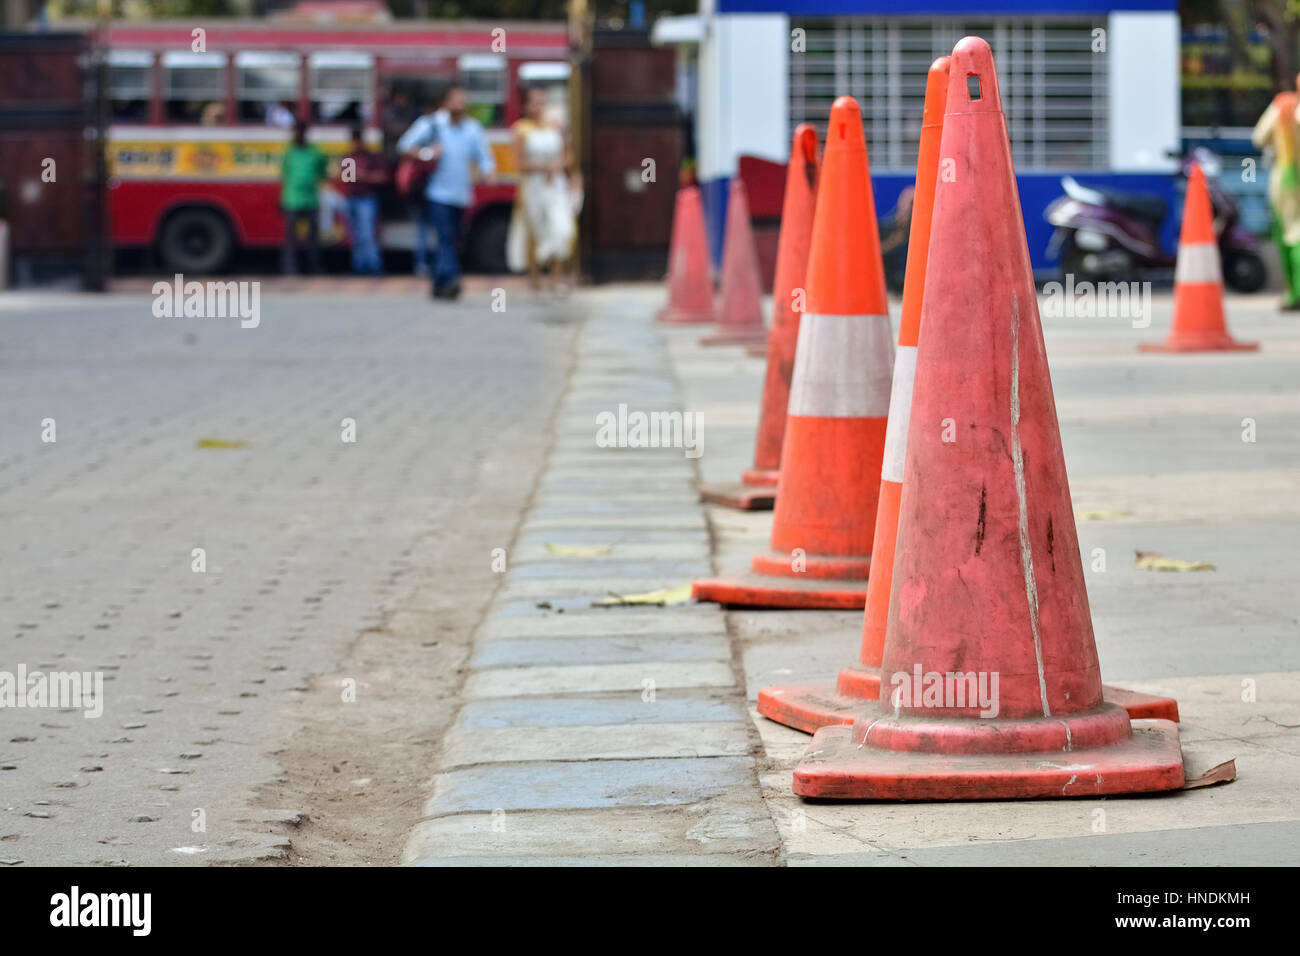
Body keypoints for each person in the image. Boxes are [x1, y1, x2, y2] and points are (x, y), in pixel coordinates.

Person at [398, 84, 496, 299]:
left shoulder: (472, 128)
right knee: (445, 237)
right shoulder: (432, 124)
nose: (461, 103)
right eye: (456, 99)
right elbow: (404, 145)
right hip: (437, 193)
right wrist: (426, 153)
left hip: (461, 194)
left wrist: (488, 172)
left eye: (463, 99)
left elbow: (484, 155)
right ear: (446, 102)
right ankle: (451, 279)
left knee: (454, 239)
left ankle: (439, 282)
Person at [508, 86, 577, 295]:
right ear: (526, 105)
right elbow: (519, 163)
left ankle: (557, 278)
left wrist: (557, 167)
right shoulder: (521, 129)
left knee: (561, 228)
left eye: (542, 102)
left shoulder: (555, 128)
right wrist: (542, 168)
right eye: (534, 102)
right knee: (536, 230)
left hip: (555, 185)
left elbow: (568, 156)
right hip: (533, 185)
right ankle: (535, 280)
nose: (539, 107)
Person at [1252, 83, 1300, 310]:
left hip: (1287, 178)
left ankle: (1295, 292)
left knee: (1292, 235)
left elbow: (1259, 137)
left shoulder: (1283, 106)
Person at [280, 119, 328, 275]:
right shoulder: (289, 152)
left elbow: (322, 171)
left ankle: (314, 268)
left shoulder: (315, 152)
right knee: (291, 240)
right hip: (292, 199)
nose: (298, 135)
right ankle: (290, 269)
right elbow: (284, 175)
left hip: (311, 199)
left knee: (312, 240)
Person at [342, 126, 388, 275]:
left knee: (367, 234)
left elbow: (382, 177)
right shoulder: (348, 158)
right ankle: (359, 266)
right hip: (352, 198)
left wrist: (362, 175)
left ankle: (374, 265)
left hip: (367, 198)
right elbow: (346, 178)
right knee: (354, 235)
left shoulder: (371, 157)